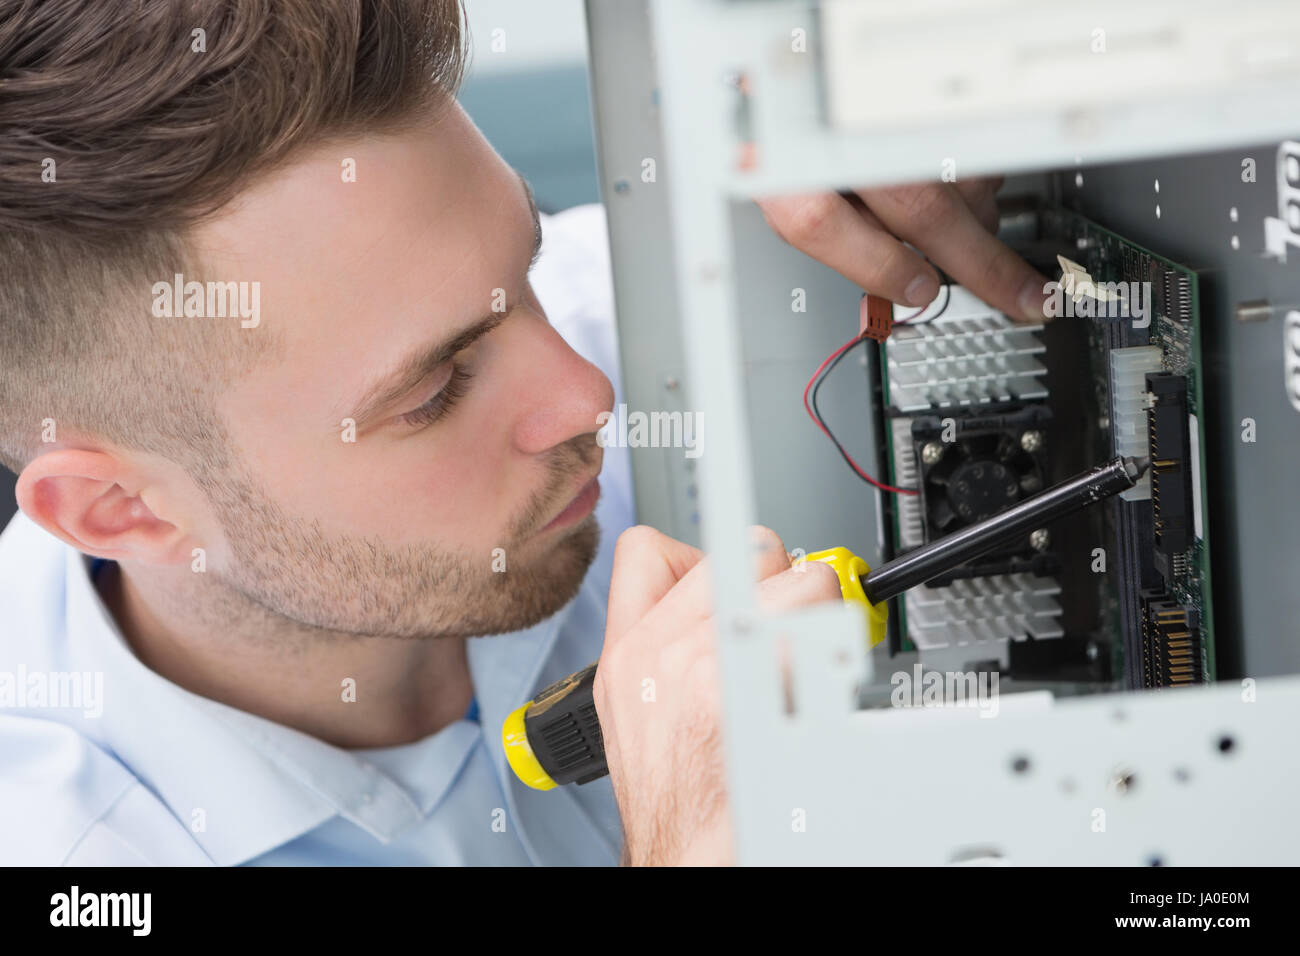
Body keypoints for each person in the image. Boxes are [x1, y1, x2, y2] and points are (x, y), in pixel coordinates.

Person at [0, 0, 1049, 866]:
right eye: (438, 388)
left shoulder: (696, 296)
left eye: (528, 273)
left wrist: (921, 64)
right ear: (122, 508)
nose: (589, 392)